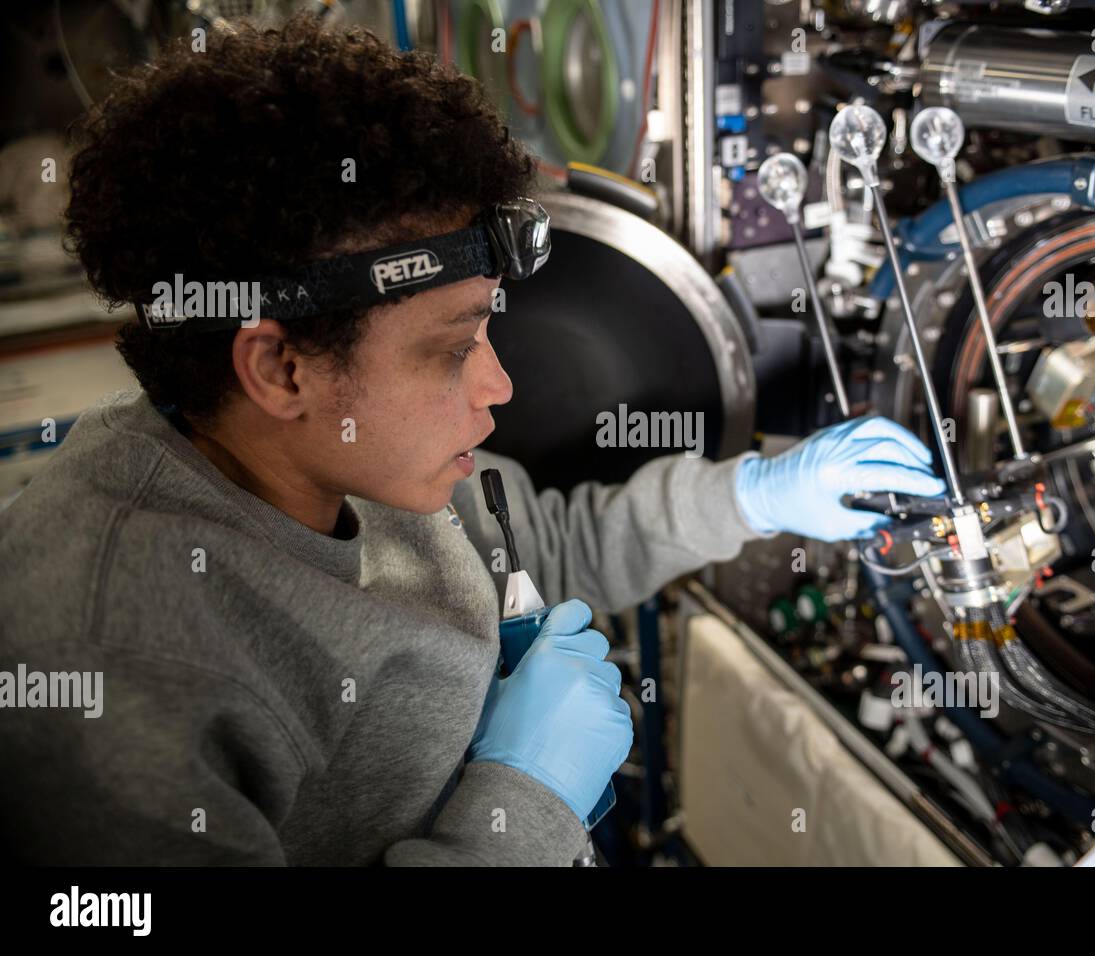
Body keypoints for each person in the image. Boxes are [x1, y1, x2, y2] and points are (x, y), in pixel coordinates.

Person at [0, 17, 943, 865]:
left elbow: (548, 547)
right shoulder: (116, 670)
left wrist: (758, 495)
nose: (499, 385)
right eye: (454, 348)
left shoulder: (362, 457)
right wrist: (521, 801)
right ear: (281, 368)